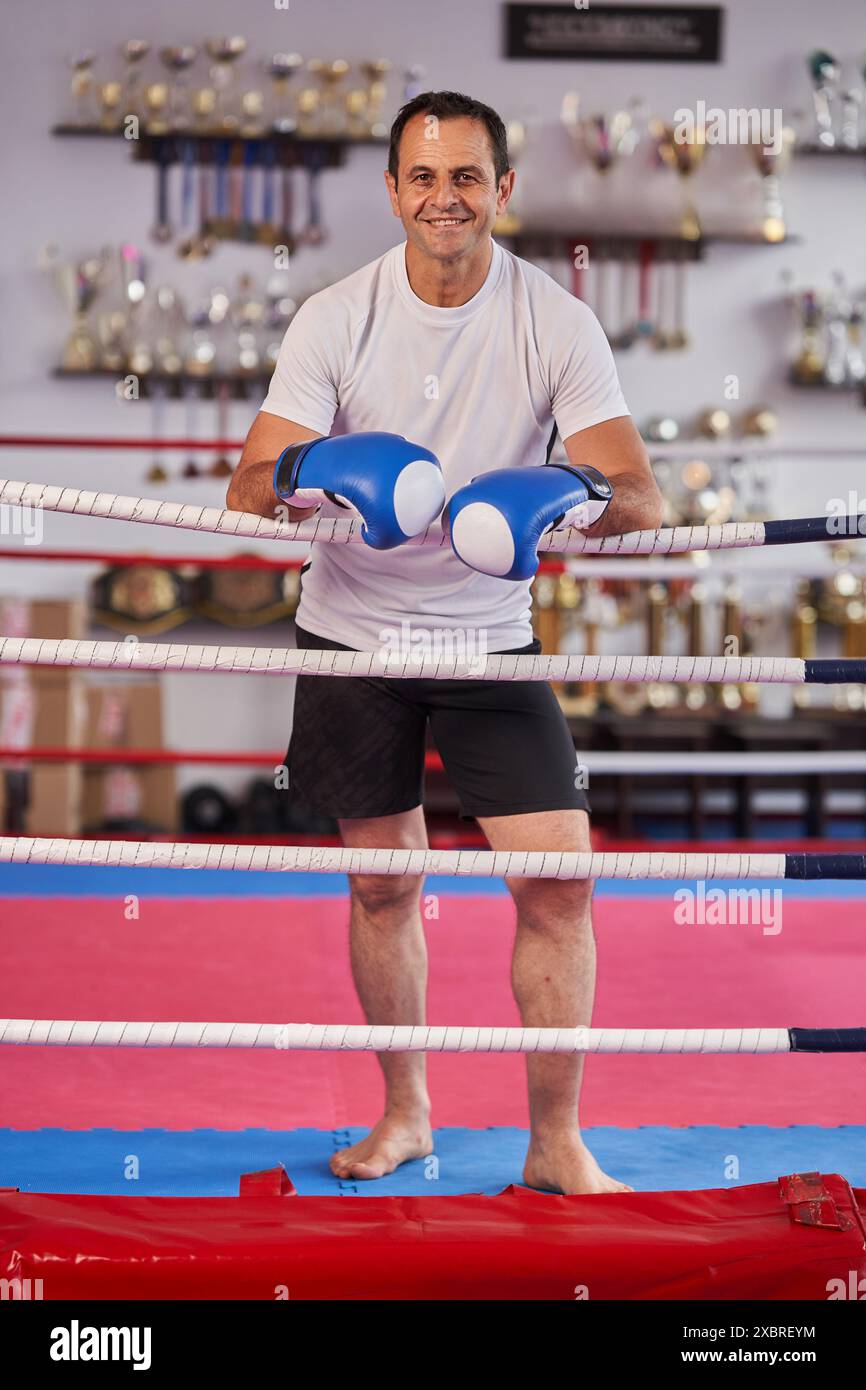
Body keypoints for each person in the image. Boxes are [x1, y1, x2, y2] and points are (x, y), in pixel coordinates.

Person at [227, 90, 663, 1195]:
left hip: (486, 641)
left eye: (465, 176)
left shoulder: (553, 320)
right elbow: (244, 489)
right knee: (383, 885)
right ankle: (405, 1114)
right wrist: (318, 468)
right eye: (421, 177)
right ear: (391, 190)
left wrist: (562, 490)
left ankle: (555, 1141)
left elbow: (641, 501)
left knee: (558, 882)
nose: (443, 198)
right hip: (349, 633)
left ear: (501, 189)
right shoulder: (335, 315)